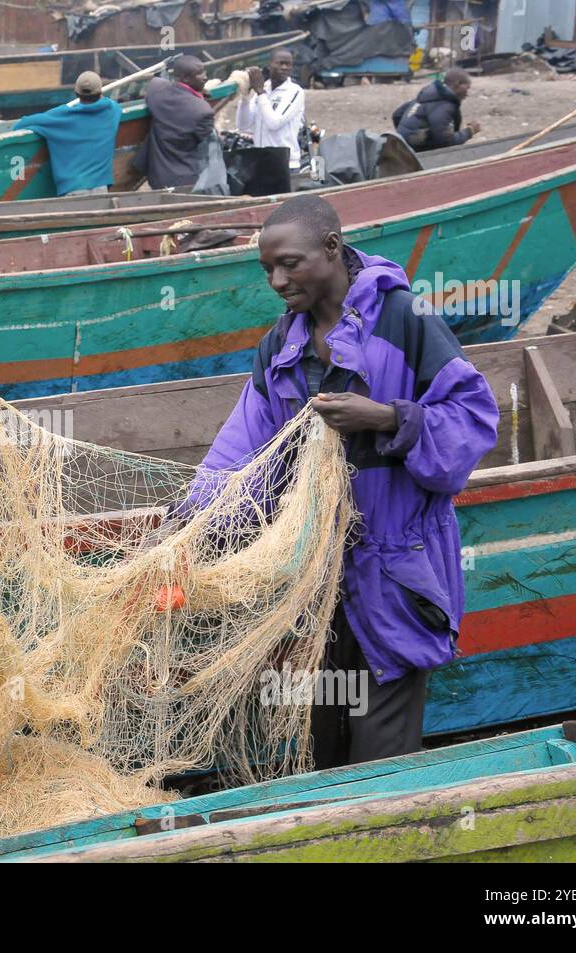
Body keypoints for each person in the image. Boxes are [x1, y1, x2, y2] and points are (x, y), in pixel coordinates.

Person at [174, 194, 497, 767]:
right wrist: (186, 531)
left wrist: (387, 418)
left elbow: (473, 419)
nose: (276, 280)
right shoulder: (281, 346)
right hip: (316, 583)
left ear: (331, 248)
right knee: (322, 747)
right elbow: (242, 455)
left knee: (382, 754)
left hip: (396, 579)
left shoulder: (405, 318)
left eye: (290, 263)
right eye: (267, 268)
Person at [13, 70, 122, 197]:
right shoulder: (113, 111)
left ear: (76, 93)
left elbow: (21, 125)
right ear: (100, 92)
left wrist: (56, 113)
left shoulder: (61, 116)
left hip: (72, 190)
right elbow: (110, 103)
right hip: (101, 188)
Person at [133, 54, 214, 189]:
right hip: (187, 180)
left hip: (158, 177)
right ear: (186, 78)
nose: (205, 77)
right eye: (200, 74)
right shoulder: (203, 110)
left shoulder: (155, 90)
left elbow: (159, 81)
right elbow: (209, 146)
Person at [236, 48, 306, 172]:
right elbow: (243, 125)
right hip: (261, 161)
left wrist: (260, 93)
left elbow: (274, 123)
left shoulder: (295, 91)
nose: (284, 67)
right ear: (269, 65)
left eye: (288, 64)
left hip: (284, 164)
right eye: (280, 63)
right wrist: (245, 96)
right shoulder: (264, 88)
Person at [393, 68, 480, 153]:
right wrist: (470, 131)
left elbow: (397, 115)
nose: (467, 93)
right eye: (467, 88)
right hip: (415, 153)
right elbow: (445, 142)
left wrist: (408, 133)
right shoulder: (445, 105)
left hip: (400, 146)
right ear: (457, 84)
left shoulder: (428, 95)